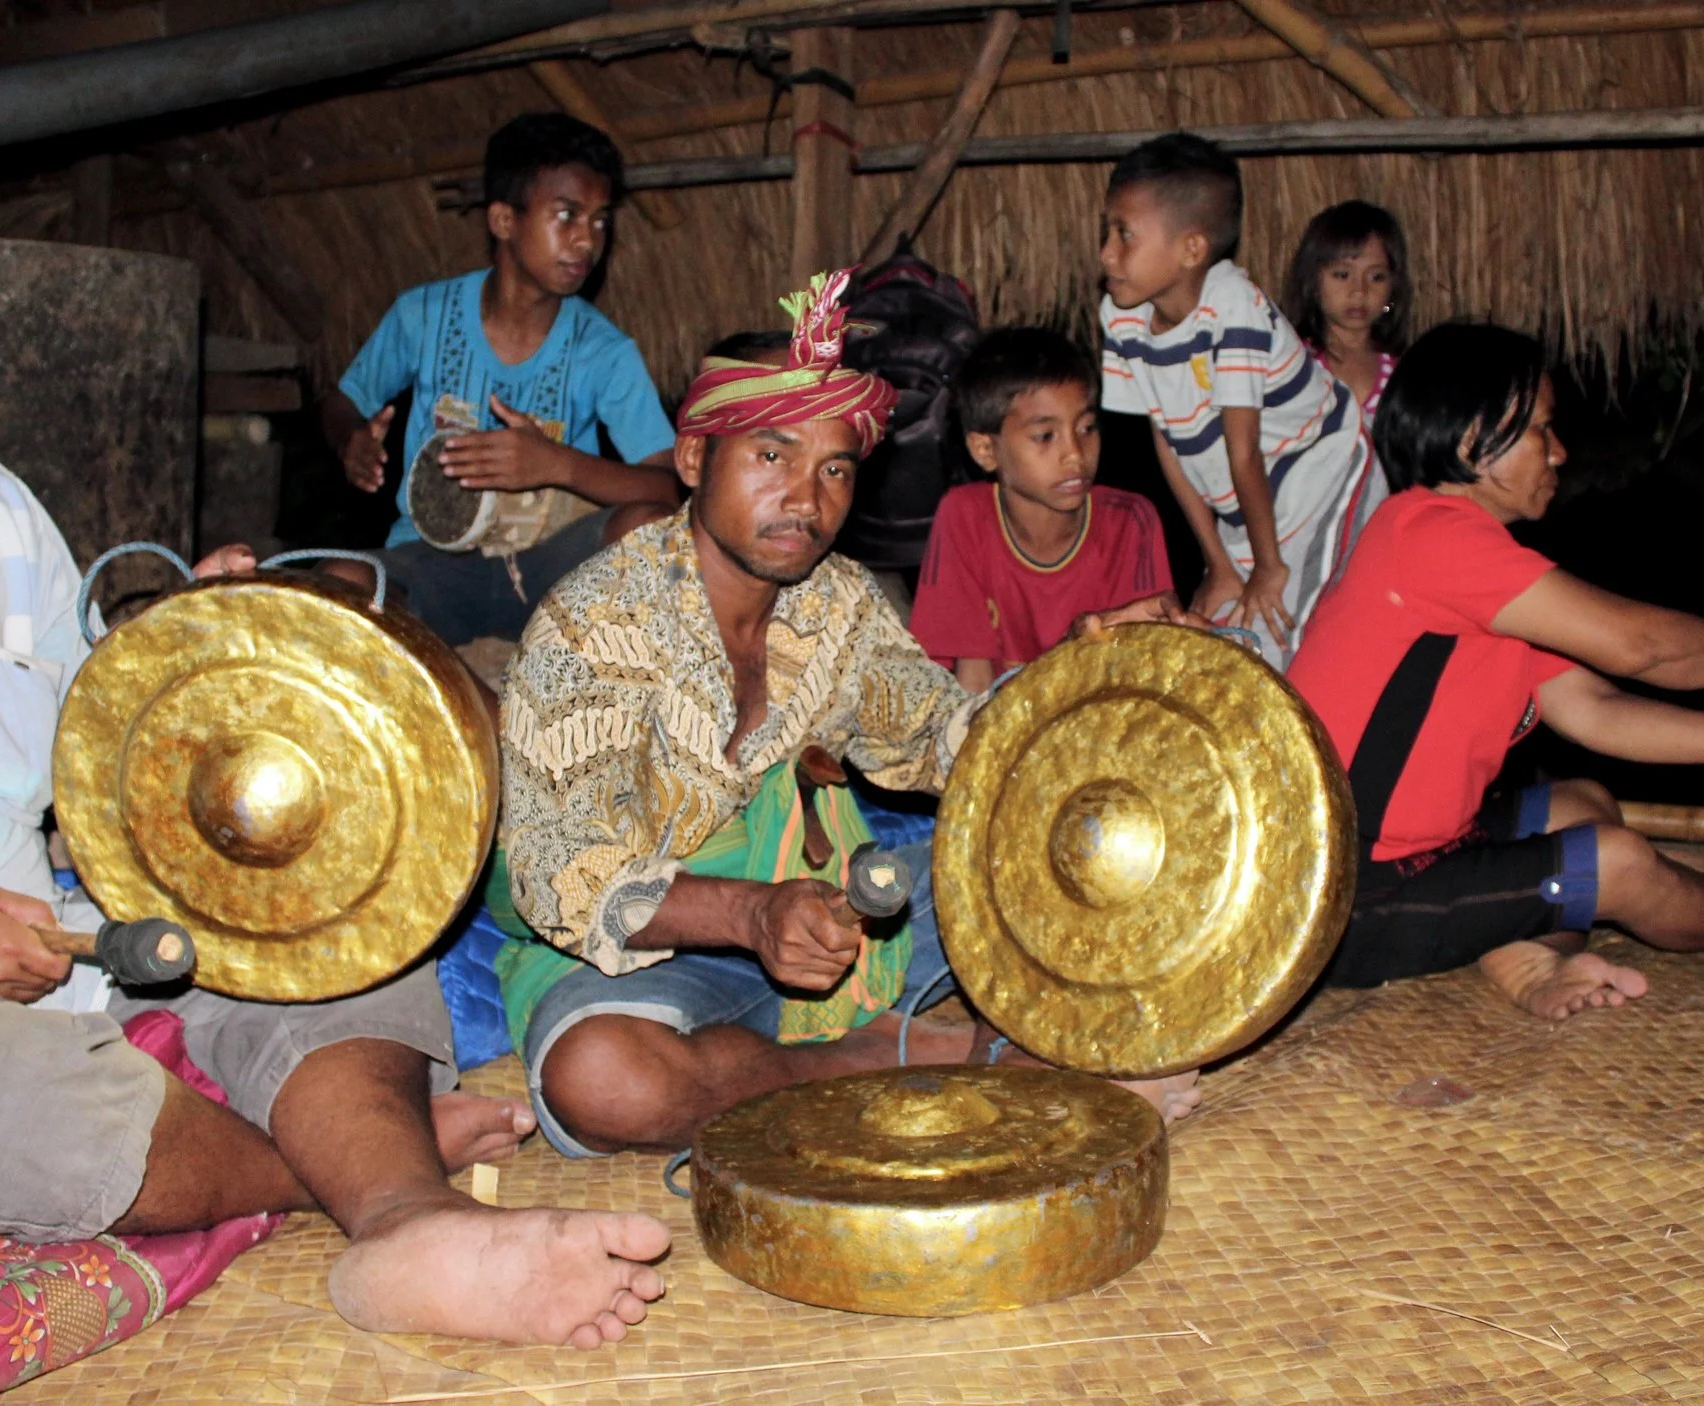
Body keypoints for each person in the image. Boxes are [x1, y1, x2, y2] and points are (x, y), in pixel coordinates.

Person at [0, 84, 668, 1348]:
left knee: (335, 926)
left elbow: (98, 737)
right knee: (22, 1109)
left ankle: (403, 1215)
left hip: (44, 949)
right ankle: (328, 1163)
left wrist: (199, 662)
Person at [487, 272, 1204, 1159]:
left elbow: (947, 739)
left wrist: (1077, 667)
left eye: (834, 468)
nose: (806, 496)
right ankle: (891, 1055)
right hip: (650, 946)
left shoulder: (839, 604)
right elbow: (566, 876)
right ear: (693, 461)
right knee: (602, 1080)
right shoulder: (591, 625)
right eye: (771, 457)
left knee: (1073, 838)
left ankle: (831, 1046)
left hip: (829, 908)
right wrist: (754, 917)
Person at [1285, 323, 1704, 1021]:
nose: (1559, 452)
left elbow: (1594, 709)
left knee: (1584, 804)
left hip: (1427, 853)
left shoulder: (1480, 571)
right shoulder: (1428, 534)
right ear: (1472, 444)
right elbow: (1641, 646)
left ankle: (1525, 958)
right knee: (1615, 862)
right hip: (1342, 899)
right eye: (1541, 431)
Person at [318, 112, 679, 645]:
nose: (588, 240)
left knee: (647, 529)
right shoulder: (422, 316)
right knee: (342, 582)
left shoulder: (603, 350)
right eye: (567, 215)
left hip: (550, 567)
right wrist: (350, 440)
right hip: (432, 558)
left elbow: (666, 487)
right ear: (504, 221)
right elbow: (342, 402)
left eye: (600, 220)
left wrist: (555, 464)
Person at [1099, 132, 1379, 668]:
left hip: (1326, 474)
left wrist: (1268, 567)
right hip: (1252, 509)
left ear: (1192, 249)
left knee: (1290, 645)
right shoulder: (1121, 317)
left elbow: (1242, 448)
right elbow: (1168, 442)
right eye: (1107, 232)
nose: (1107, 253)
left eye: (1124, 235)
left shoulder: (1233, 305)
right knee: (1231, 655)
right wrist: (1220, 561)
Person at [910, 327, 1176, 691]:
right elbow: (972, 685)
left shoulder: (1130, 522)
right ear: (985, 451)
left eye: (1086, 428)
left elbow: (1140, 676)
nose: (1075, 455)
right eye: (1045, 436)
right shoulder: (965, 517)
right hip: (998, 728)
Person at [1282, 200, 1409, 421]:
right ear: (1312, 281)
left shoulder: (1404, 376)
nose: (1359, 291)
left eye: (1376, 277)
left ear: (1393, 287)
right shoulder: (1292, 365)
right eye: (1342, 275)